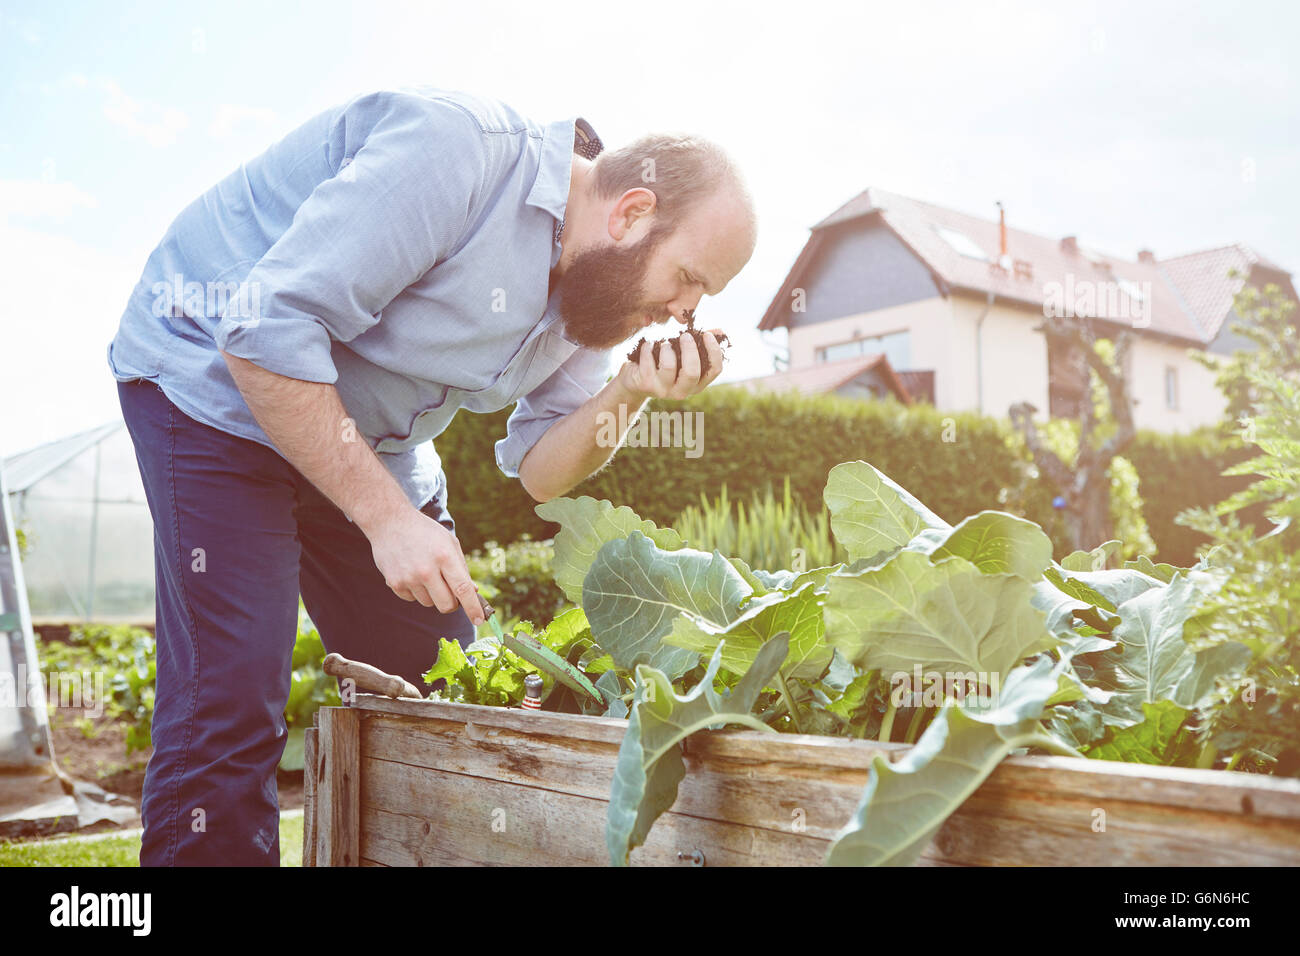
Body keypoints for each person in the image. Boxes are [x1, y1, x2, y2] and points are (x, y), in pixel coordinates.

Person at [107, 84, 757, 866]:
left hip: (368, 439)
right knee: (233, 696)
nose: (684, 310)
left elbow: (543, 470)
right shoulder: (458, 153)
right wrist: (386, 521)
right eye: (688, 277)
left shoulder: (594, 295)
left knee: (450, 691)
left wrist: (633, 391)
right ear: (630, 214)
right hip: (215, 382)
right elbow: (263, 330)